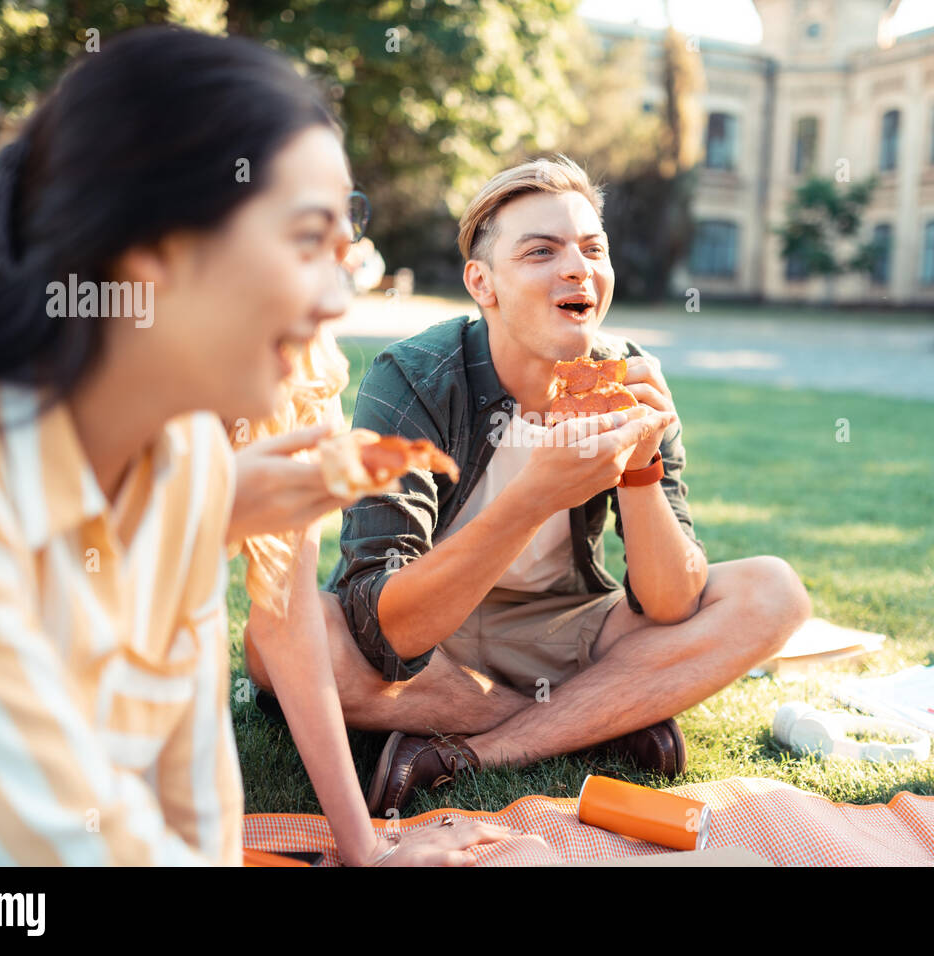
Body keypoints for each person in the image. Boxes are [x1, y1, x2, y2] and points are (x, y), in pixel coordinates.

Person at [0, 26, 521, 866]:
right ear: (153, 251)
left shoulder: (184, 459)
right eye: (306, 240)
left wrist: (365, 852)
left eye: (344, 246)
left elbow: (189, 810)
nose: (338, 299)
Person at [246, 156, 811, 814]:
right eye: (541, 251)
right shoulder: (412, 378)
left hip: (565, 634)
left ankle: (479, 750)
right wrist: (535, 494)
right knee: (274, 631)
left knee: (773, 591)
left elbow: (669, 606)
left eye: (592, 249)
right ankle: (601, 721)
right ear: (482, 284)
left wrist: (642, 466)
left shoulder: (628, 378)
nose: (578, 268)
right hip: (431, 645)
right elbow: (388, 633)